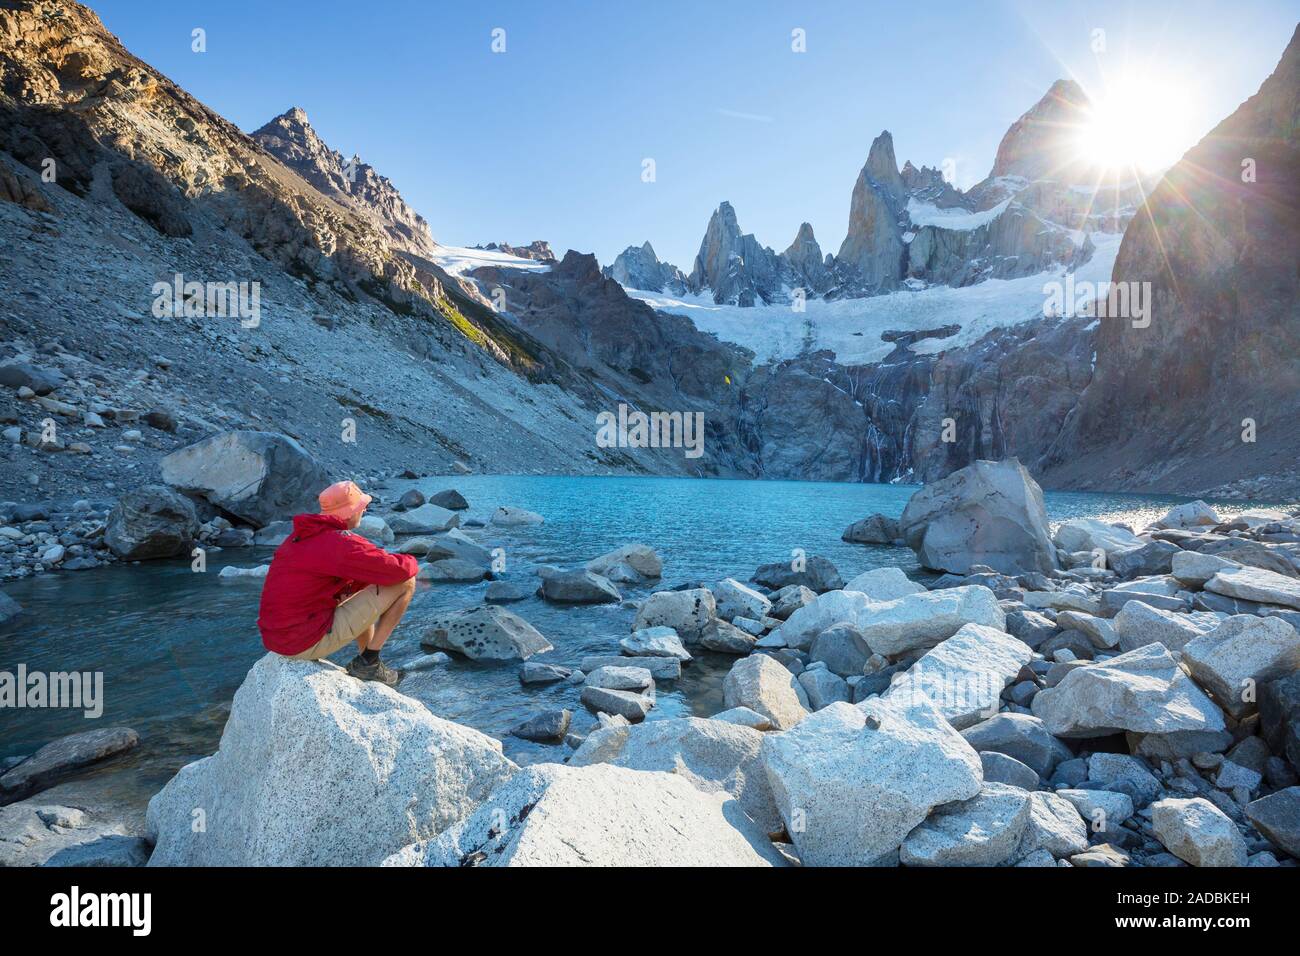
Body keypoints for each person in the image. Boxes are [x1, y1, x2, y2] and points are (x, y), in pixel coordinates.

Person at [257, 480, 417, 686]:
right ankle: (369, 661)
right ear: (350, 512)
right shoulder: (340, 543)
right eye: (361, 506)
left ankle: (366, 660)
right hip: (300, 642)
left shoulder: (301, 536)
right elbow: (400, 570)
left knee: (362, 582)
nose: (365, 509)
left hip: (276, 638)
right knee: (406, 582)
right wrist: (411, 558)